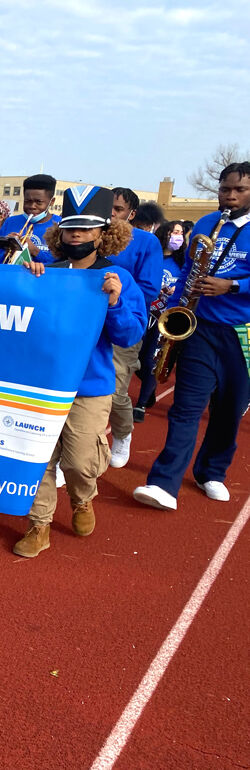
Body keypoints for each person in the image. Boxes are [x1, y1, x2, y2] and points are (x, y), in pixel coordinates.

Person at [11, 185, 145, 558]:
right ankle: (39, 526)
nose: (77, 235)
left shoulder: (118, 277)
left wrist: (115, 302)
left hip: (90, 385)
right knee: (38, 458)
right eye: (71, 227)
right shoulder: (45, 272)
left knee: (80, 461)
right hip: (41, 384)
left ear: (104, 232)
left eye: (86, 228)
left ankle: (83, 497)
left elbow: (130, 335)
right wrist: (26, 283)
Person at [134, 162, 250, 510]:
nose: (230, 196)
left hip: (241, 333)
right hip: (198, 327)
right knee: (185, 408)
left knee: (228, 412)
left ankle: (210, 472)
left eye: (239, 190)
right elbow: (188, 269)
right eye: (225, 189)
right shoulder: (205, 223)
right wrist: (174, 310)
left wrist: (232, 286)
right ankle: (163, 483)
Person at [105, 187, 164, 468]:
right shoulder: (92, 233)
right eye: (108, 208)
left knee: (115, 391)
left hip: (123, 320)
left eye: (118, 209)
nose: (111, 214)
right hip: (87, 322)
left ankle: (122, 432)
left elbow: (150, 289)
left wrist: (116, 295)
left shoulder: (146, 242)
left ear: (131, 214)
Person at [133, 220, 188, 421]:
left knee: (151, 361)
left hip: (164, 319)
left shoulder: (182, 262)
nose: (178, 236)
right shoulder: (152, 257)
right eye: (174, 232)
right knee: (137, 360)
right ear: (165, 233)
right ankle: (150, 389)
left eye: (181, 233)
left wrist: (177, 291)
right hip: (144, 314)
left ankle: (140, 404)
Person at [0, 174, 60, 264]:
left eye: (39, 202)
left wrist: (35, 251)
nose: (32, 206)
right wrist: (7, 252)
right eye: (27, 201)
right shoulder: (10, 222)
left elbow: (63, 262)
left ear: (52, 202)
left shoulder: (60, 224)